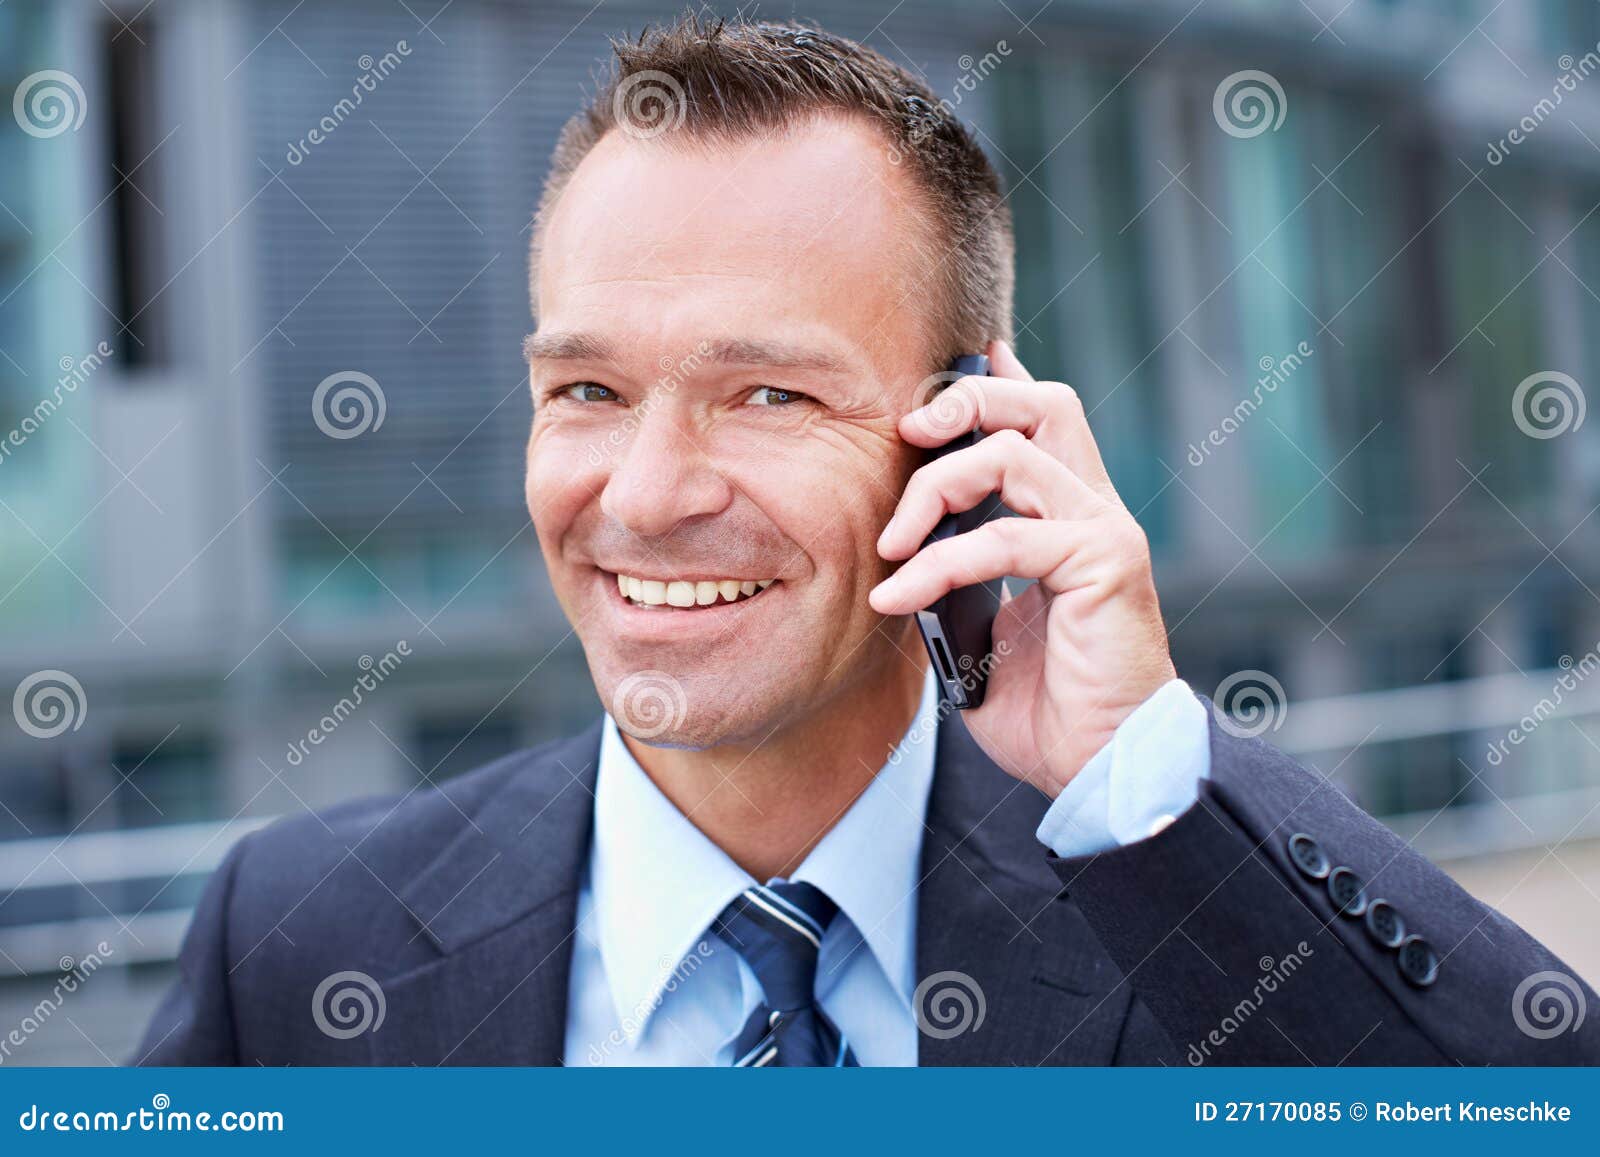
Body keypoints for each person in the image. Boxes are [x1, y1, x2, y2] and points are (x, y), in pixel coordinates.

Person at [138, 13, 1598, 1067]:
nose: (645, 493)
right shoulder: (300, 946)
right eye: (588, 388)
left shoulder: (1181, 911)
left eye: (766, 392)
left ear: (973, 426)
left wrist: (1144, 766)